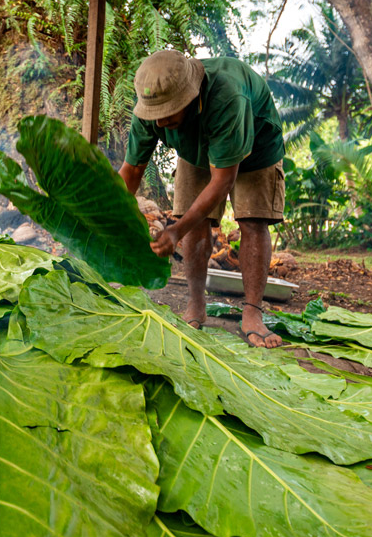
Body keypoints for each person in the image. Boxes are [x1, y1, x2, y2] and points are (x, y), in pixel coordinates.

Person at [118, 50, 286, 348]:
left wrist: (175, 230)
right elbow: (130, 172)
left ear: (190, 97)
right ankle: (196, 305)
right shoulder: (152, 109)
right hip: (195, 150)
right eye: (154, 116)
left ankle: (252, 313)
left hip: (256, 149)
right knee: (195, 222)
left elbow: (223, 181)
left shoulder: (228, 97)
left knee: (252, 220)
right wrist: (105, 217)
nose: (159, 123)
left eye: (168, 112)